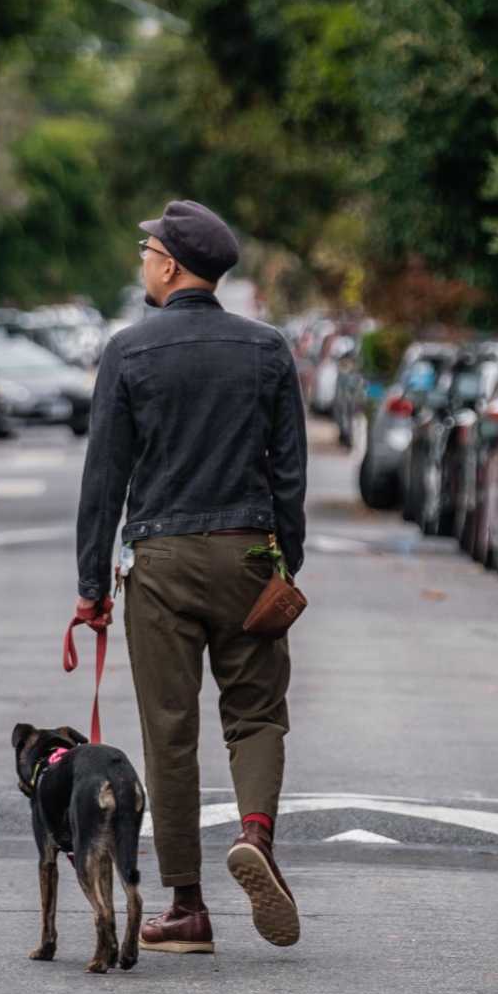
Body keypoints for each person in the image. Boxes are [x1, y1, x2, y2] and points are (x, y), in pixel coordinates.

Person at [72, 200, 309, 953]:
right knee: (257, 714)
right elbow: (291, 472)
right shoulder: (268, 350)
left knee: (169, 732)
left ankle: (186, 906)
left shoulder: (128, 351)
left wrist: (92, 587)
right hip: (247, 553)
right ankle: (257, 834)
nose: (142, 260)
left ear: (171, 265)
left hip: (163, 559)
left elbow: (103, 479)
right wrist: (283, 563)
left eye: (147, 249)